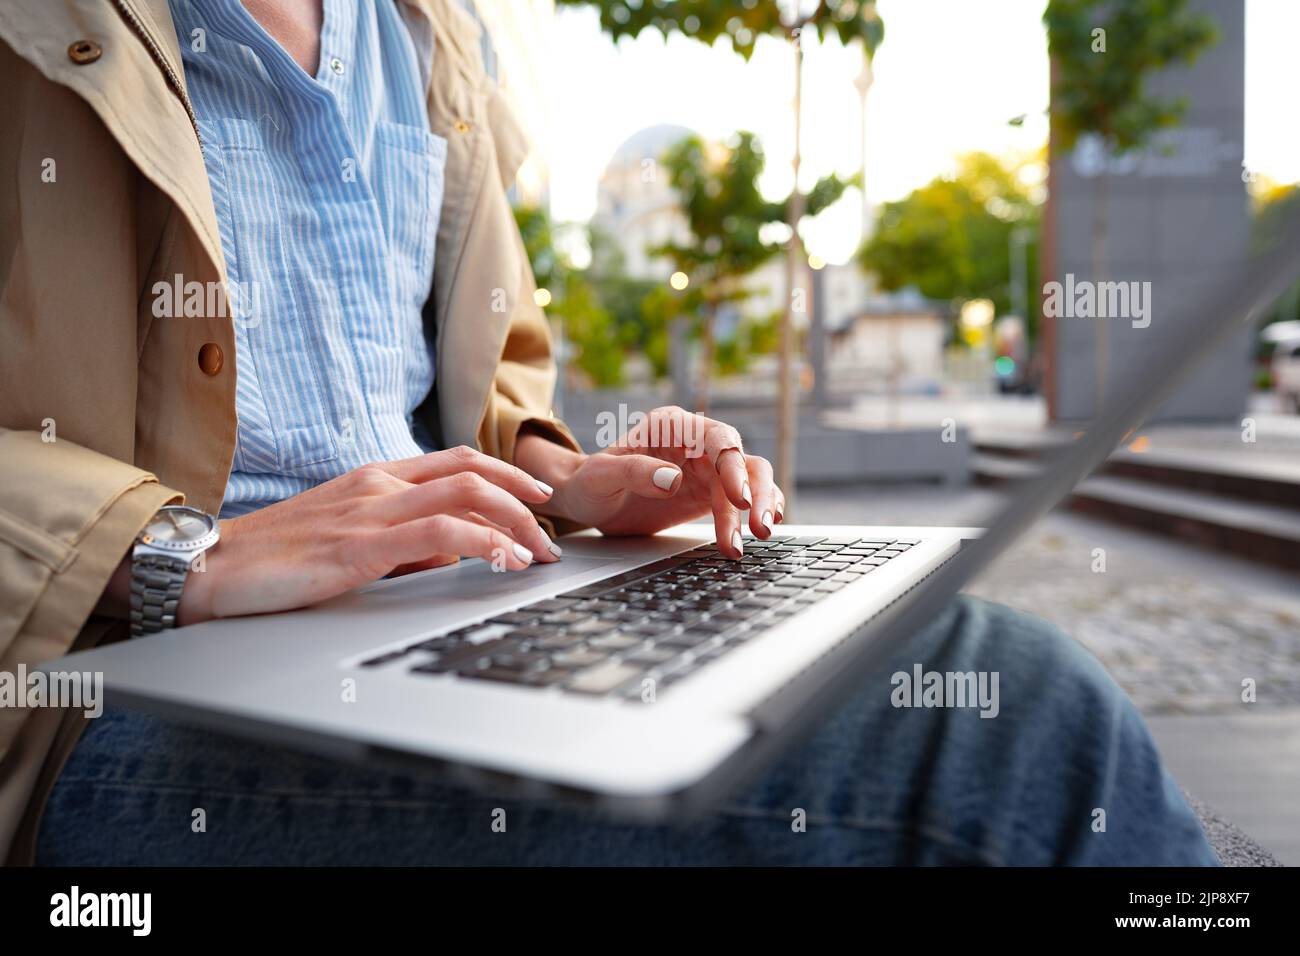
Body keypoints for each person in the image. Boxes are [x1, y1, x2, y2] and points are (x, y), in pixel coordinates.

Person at [0, 0, 1216, 866]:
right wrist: (174, 557)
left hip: (447, 613)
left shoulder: (435, 36)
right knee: (1007, 725)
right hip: (103, 694)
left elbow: (476, 380)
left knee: (936, 643)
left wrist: (565, 475)